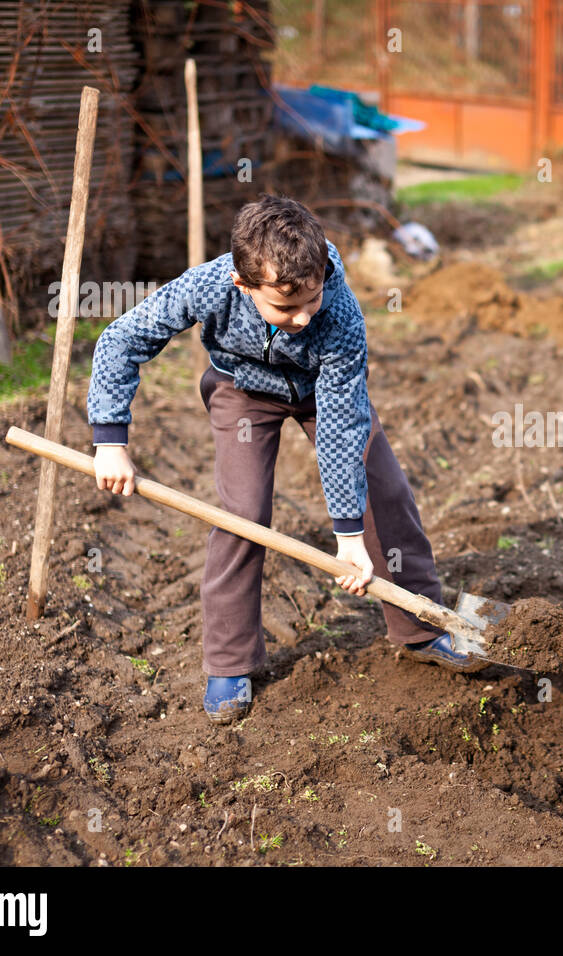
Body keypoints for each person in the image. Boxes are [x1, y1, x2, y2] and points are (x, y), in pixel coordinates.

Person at [86, 195, 485, 724]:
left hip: (324, 392)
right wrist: (110, 439)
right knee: (243, 514)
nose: (301, 317)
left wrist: (346, 534)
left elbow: (342, 425)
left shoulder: (338, 313)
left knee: (383, 493)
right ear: (243, 284)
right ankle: (230, 663)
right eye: (284, 306)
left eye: (310, 301)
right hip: (242, 388)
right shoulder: (208, 285)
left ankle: (422, 624)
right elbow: (122, 340)